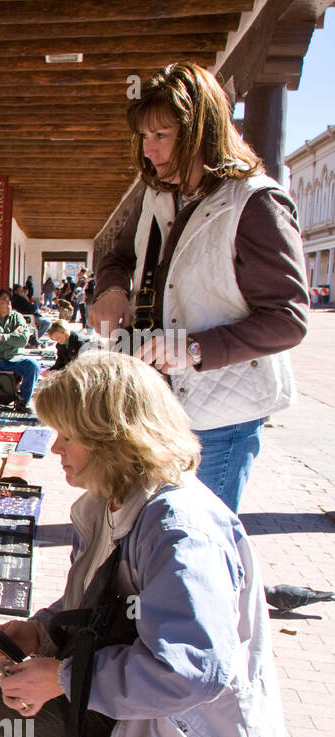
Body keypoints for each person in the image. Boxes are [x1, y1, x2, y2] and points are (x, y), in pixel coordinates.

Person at [0, 352, 330, 737]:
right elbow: (100, 608)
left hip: (191, 735)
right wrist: (42, 631)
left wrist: (61, 677)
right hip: (133, 714)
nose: (55, 450)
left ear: (111, 438)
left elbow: (191, 672)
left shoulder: (180, 527)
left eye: (66, 436)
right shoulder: (113, 505)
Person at [90, 62, 308, 514]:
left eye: (161, 136)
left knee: (194, 542)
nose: (148, 150)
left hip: (219, 419)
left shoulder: (255, 202)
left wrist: (193, 349)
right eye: (144, 138)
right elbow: (118, 255)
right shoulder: (157, 193)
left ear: (201, 131)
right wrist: (112, 290)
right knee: (146, 532)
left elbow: (288, 320)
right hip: (157, 402)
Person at [0, 289, 40, 410]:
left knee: (33, 365)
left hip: (15, 358)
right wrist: (13, 341)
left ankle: (23, 401)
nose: (8, 302)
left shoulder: (18, 318)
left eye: (9, 300)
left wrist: (3, 337)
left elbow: (23, 340)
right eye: (4, 301)